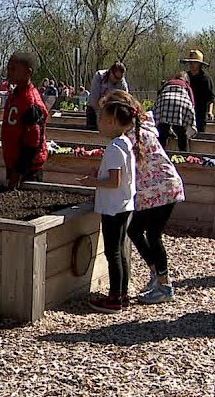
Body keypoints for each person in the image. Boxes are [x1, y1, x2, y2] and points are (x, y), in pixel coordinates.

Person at [109, 90, 185, 305]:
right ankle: (156, 274)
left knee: (153, 235)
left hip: (162, 191)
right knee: (135, 230)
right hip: (157, 191)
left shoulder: (131, 138)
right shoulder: (140, 129)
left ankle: (165, 285)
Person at [82, 96, 138, 313]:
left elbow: (114, 181)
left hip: (113, 207)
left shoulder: (114, 147)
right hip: (124, 204)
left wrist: (93, 182)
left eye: (101, 119)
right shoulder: (126, 143)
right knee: (120, 250)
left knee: (112, 252)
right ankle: (122, 294)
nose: (99, 124)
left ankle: (114, 298)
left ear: (112, 122)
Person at [1, 52, 49, 188]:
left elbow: (33, 141)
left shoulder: (31, 102)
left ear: (28, 73)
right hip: (13, 163)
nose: (9, 73)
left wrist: (19, 171)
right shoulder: (14, 95)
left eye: (13, 69)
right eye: (8, 69)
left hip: (28, 169)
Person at [153, 76, 196, 152]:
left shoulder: (169, 83)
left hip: (165, 101)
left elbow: (160, 93)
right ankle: (183, 153)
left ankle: (160, 152)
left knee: (162, 129)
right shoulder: (186, 85)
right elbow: (192, 101)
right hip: (181, 103)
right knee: (181, 131)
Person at [87, 61, 129, 128]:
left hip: (112, 112)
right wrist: (101, 118)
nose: (117, 80)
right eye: (115, 77)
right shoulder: (99, 76)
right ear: (111, 72)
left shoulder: (121, 82)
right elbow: (94, 100)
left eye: (119, 79)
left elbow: (126, 99)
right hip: (94, 110)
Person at [183, 49, 215, 133]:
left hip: (200, 114)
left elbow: (210, 98)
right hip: (185, 113)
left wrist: (210, 111)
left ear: (199, 64)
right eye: (190, 62)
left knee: (199, 134)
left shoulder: (206, 79)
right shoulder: (185, 77)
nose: (191, 64)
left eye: (194, 62)